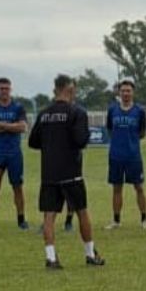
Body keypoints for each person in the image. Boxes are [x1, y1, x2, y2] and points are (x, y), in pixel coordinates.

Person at [28, 74, 104, 269]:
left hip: (49, 172)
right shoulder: (77, 112)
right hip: (71, 172)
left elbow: (33, 141)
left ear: (55, 89)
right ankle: (90, 254)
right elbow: (80, 140)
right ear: (70, 89)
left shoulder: (44, 114)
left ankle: (51, 258)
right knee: (81, 211)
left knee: (49, 215)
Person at [0, 77, 30, 232]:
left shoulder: (18, 107)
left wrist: (2, 125)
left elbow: (23, 127)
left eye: (6, 88)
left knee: (18, 187)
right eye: (1, 88)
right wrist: (12, 126)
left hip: (14, 153)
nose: (4, 91)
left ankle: (21, 220)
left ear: (11, 89)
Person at [105, 80, 146, 229]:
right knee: (117, 188)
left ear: (133, 92)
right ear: (119, 92)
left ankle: (144, 219)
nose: (125, 93)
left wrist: (131, 142)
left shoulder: (140, 111)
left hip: (133, 156)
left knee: (139, 187)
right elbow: (109, 129)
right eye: (123, 91)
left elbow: (142, 132)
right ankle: (116, 220)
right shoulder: (112, 110)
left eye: (128, 91)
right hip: (116, 156)